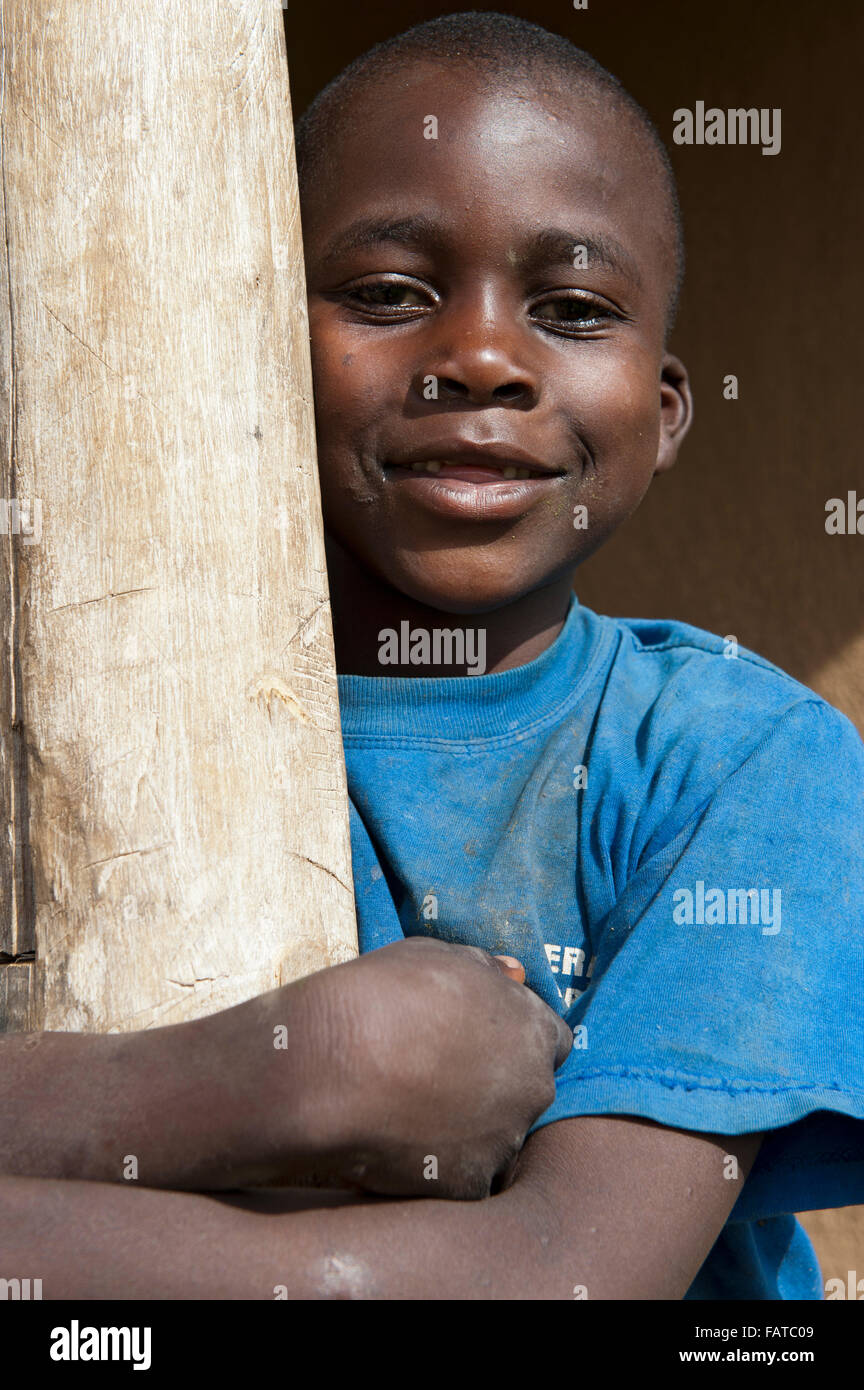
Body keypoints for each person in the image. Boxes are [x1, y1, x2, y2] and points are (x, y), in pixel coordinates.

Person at [2, 11, 862, 1300]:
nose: (479, 360)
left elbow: (566, 1280)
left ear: (664, 411)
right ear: (247, 347)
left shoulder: (737, 764)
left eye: (572, 310)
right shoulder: (53, 733)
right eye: (389, 295)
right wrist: (289, 1073)